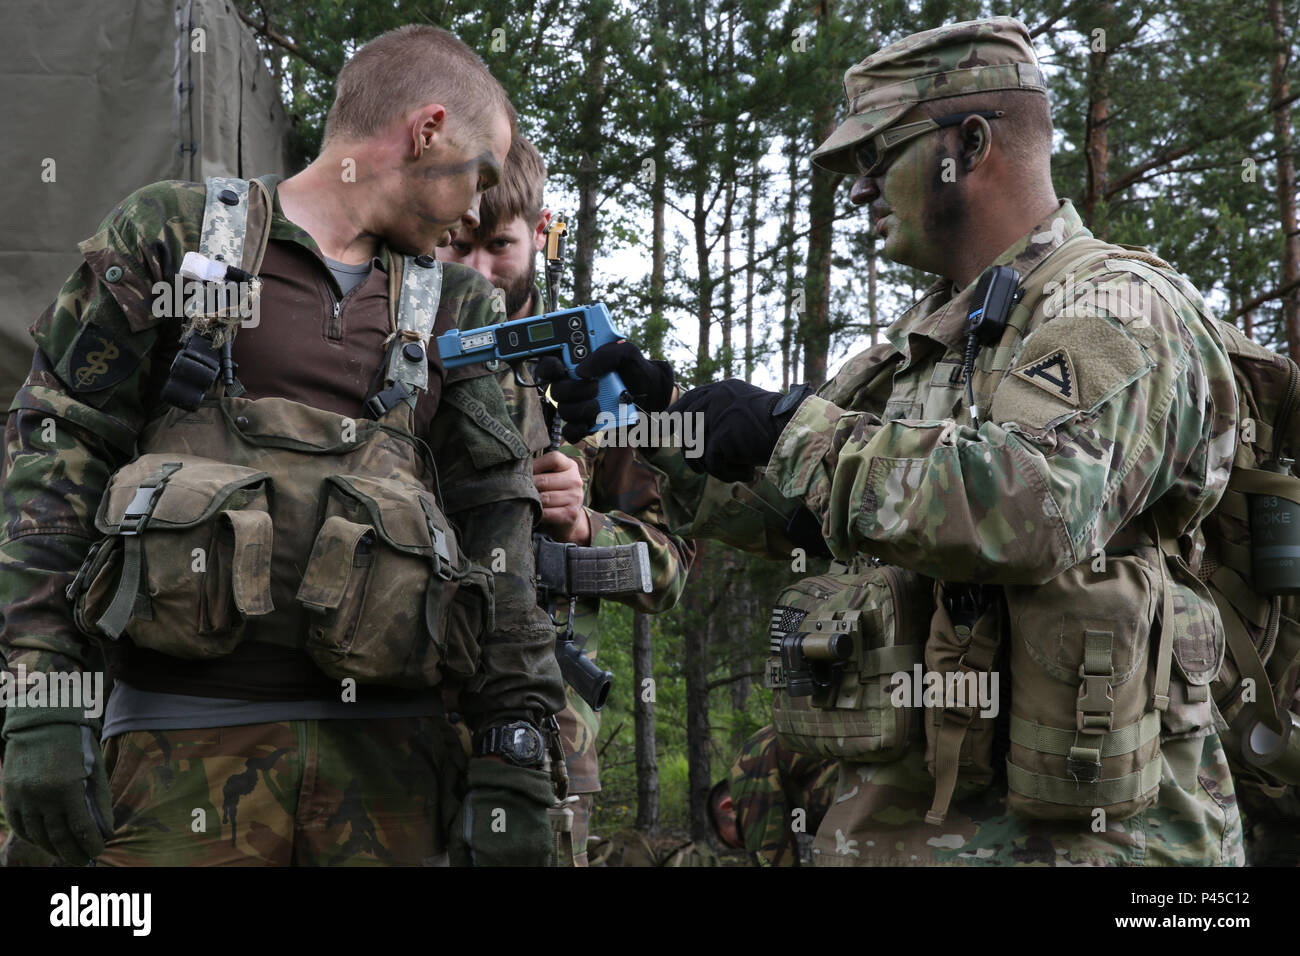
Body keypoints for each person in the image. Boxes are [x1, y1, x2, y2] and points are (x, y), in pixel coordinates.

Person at [550, 16, 1244, 865]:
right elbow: (801, 508)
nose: (858, 189)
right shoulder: (927, 338)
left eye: (879, 156)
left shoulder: (1116, 308)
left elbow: (1034, 505)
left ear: (974, 142)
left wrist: (785, 428)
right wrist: (666, 422)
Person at [0, 24, 566, 867]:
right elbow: (57, 457)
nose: (479, 209)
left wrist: (513, 747)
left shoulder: (458, 307)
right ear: (427, 131)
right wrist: (43, 699)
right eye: (480, 172)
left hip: (392, 775)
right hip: (165, 764)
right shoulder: (169, 235)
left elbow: (498, 529)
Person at [435, 135, 694, 864]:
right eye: (458, 245)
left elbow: (670, 569)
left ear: (541, 234)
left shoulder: (596, 373)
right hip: (395, 716)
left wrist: (584, 531)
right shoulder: (395, 352)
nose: (480, 272)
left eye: (499, 246)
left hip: (545, 735)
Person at [711, 724, 837, 867]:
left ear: (728, 806)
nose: (748, 844)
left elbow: (772, 857)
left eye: (741, 836)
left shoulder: (746, 775)